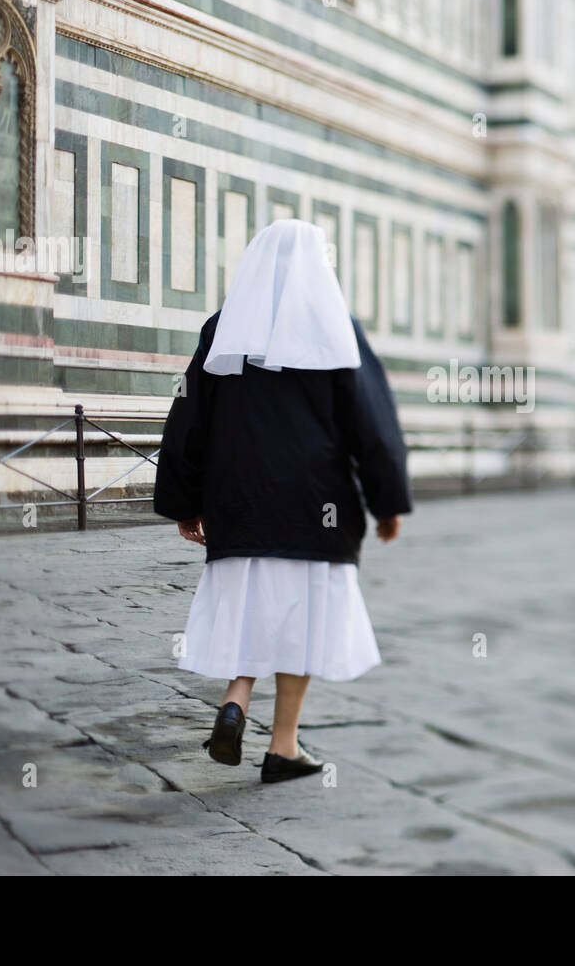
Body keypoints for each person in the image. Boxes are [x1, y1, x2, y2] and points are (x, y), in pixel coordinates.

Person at [154, 219, 412, 784]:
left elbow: (189, 417)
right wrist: (386, 500)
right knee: (302, 617)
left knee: (251, 605)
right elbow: (371, 426)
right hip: (318, 507)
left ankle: (236, 701)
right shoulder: (338, 330)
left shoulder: (223, 330)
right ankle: (283, 747)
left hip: (238, 503)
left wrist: (184, 499)